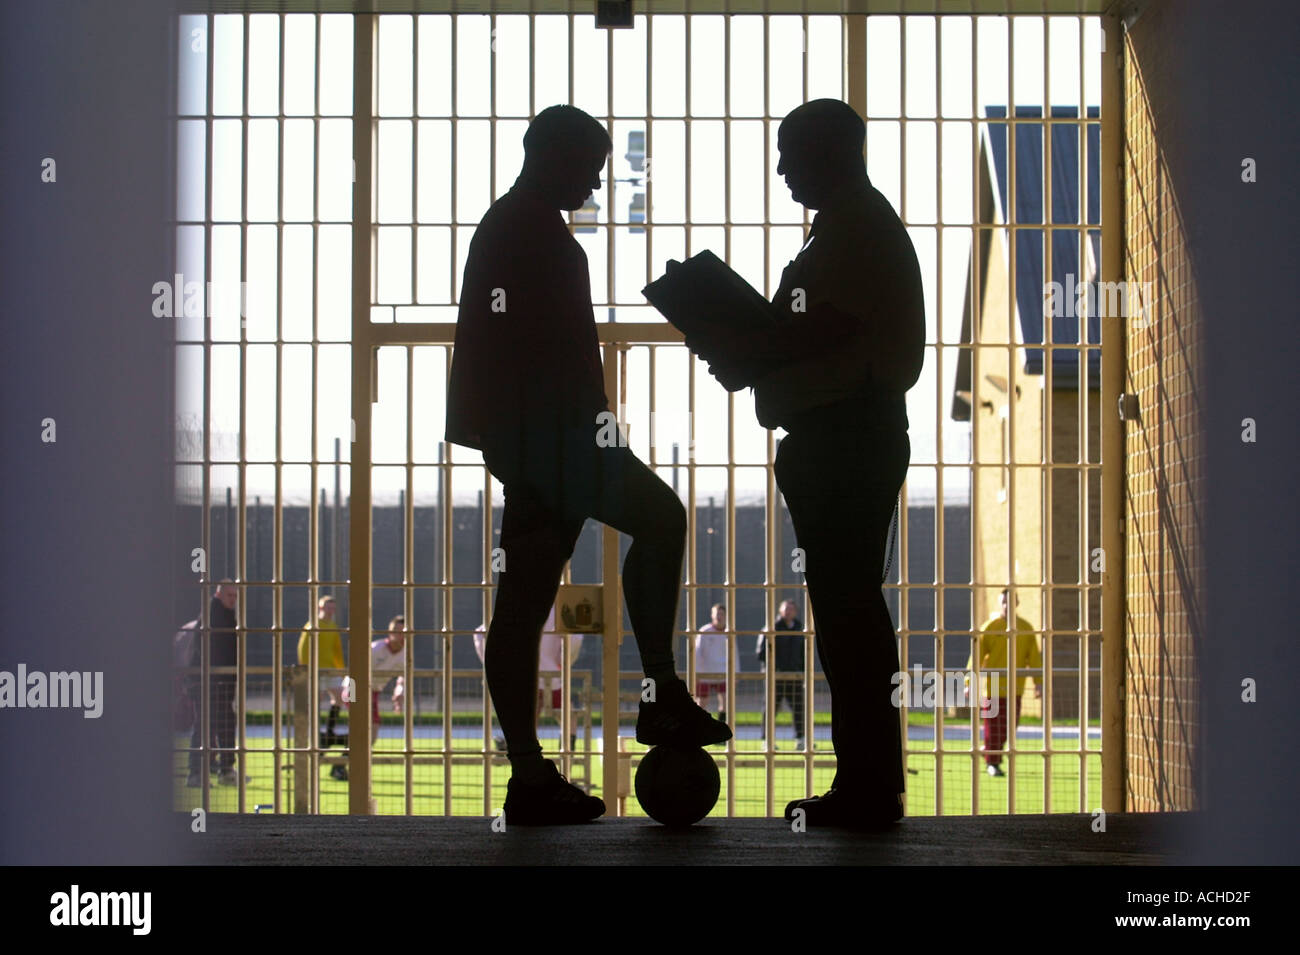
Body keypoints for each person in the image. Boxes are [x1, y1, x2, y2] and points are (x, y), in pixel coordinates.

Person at [446, 104, 731, 825]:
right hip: (560, 448)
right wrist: (585, 444)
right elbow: (557, 365)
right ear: (554, 157)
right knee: (661, 520)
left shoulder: (513, 227)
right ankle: (659, 690)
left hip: (543, 449)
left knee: (520, 608)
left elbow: (506, 355)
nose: (596, 181)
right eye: (590, 166)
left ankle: (532, 774)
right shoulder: (535, 234)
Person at [688, 99, 925, 828]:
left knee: (849, 613)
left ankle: (867, 785)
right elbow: (812, 327)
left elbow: (819, 328)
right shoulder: (852, 226)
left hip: (843, 435)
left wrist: (740, 345)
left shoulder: (852, 230)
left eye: (792, 152)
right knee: (852, 609)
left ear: (832, 152)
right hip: (844, 432)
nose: (783, 168)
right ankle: (868, 780)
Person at [966, 588, 1042, 777]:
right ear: (1000, 604)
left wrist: (1039, 682)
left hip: (1015, 689)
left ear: (1016, 603)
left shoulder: (1025, 628)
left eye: (1010, 602)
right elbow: (976, 657)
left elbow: (1033, 658)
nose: (1007, 606)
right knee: (993, 728)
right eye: (1003, 602)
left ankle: (990, 751)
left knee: (1009, 728)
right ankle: (993, 762)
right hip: (992, 690)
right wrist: (969, 683)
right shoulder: (989, 627)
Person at [186, 581, 243, 786]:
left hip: (217, 680)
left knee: (220, 724)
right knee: (207, 725)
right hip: (210, 680)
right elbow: (210, 649)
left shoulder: (221, 614)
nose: (233, 600)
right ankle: (199, 772)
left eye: (235, 596)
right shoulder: (214, 614)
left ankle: (221, 769)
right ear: (219, 594)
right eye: (230, 595)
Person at [298, 594, 349, 781]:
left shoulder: (333, 626)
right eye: (328, 607)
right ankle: (315, 732)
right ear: (320, 608)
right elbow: (303, 648)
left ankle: (329, 730)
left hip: (330, 670)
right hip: (315, 670)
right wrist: (305, 667)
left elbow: (336, 649)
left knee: (340, 698)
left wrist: (341, 669)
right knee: (316, 701)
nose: (330, 611)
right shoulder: (312, 625)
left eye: (333, 608)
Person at [757, 599, 807, 750]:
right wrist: (773, 668)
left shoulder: (801, 628)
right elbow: (761, 652)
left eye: (791, 609)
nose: (788, 611)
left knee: (799, 708)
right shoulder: (772, 628)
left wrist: (801, 670)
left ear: (795, 611)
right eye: (785, 609)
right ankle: (767, 741)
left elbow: (805, 652)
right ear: (780, 611)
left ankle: (800, 739)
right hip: (775, 677)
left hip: (794, 676)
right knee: (770, 708)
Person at [370, 615, 407, 746]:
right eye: (395, 631)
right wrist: (353, 698)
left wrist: (399, 692)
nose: (398, 635)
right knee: (365, 726)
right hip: (354, 688)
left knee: (372, 731)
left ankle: (341, 761)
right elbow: (355, 672)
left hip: (373, 692)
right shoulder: (376, 648)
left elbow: (404, 676)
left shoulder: (405, 654)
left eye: (402, 632)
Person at [694, 604, 729, 723]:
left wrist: (736, 672)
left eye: (721, 614)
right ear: (712, 615)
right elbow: (697, 653)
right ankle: (697, 729)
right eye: (716, 614)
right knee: (701, 703)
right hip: (705, 674)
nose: (719, 616)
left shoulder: (729, 632)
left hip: (723, 673)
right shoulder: (705, 631)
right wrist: (697, 673)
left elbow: (734, 654)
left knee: (725, 701)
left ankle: (721, 731)